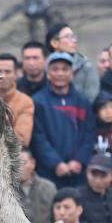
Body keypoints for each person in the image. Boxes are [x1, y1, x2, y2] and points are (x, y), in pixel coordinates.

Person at [31, 52, 96, 188]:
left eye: (65, 69)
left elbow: (89, 134)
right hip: (48, 172)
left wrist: (79, 160)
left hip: (78, 173)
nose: (60, 73)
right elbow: (38, 137)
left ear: (71, 74)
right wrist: (55, 163)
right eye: (55, 69)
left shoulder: (82, 101)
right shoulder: (38, 101)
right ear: (48, 73)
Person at [46, 23, 99, 102]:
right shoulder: (43, 67)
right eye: (68, 37)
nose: (74, 41)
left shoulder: (85, 67)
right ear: (54, 43)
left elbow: (92, 97)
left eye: (73, 37)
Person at [0, 54, 34, 146]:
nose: (2, 76)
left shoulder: (25, 101)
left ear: (16, 74)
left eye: (7, 72)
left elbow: (23, 139)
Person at [19, 149, 56, 223]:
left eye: (23, 163)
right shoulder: (7, 191)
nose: (19, 167)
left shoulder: (49, 188)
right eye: (15, 163)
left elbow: (57, 219)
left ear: (33, 163)